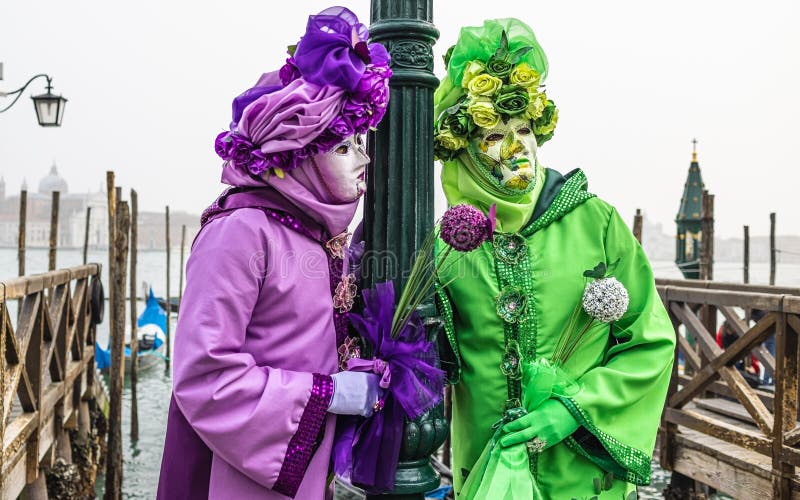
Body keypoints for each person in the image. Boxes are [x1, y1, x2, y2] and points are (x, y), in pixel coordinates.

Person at [433, 18, 676, 498]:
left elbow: (650, 340)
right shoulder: (445, 246)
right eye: (494, 133)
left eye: (523, 128)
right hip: (486, 465)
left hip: (579, 471)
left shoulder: (596, 222)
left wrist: (574, 409)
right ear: (463, 150)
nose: (517, 147)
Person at [156, 7, 392, 499]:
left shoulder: (315, 234)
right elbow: (204, 376)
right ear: (298, 153)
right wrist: (328, 395)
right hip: (244, 476)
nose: (365, 159)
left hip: (309, 465)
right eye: (345, 146)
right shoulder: (240, 232)